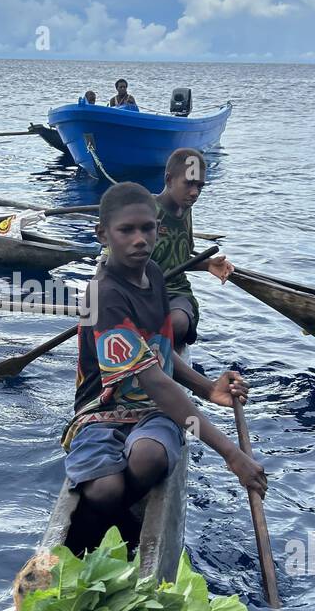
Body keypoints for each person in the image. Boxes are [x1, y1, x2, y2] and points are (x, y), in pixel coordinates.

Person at [62, 181, 266, 549]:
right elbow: (155, 379)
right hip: (101, 409)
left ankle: (120, 528)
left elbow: (158, 350)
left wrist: (207, 388)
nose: (140, 239)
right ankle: (94, 535)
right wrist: (231, 454)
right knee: (106, 490)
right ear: (102, 234)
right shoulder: (104, 294)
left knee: (150, 457)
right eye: (126, 230)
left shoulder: (154, 274)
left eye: (148, 228)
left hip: (151, 409)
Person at [152, 147, 233, 352]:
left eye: (200, 186)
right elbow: (112, 262)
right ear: (169, 180)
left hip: (175, 292)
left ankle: (164, 366)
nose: (195, 192)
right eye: (189, 183)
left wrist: (207, 265)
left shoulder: (185, 210)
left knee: (176, 323)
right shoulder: (144, 211)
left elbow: (180, 258)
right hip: (139, 293)